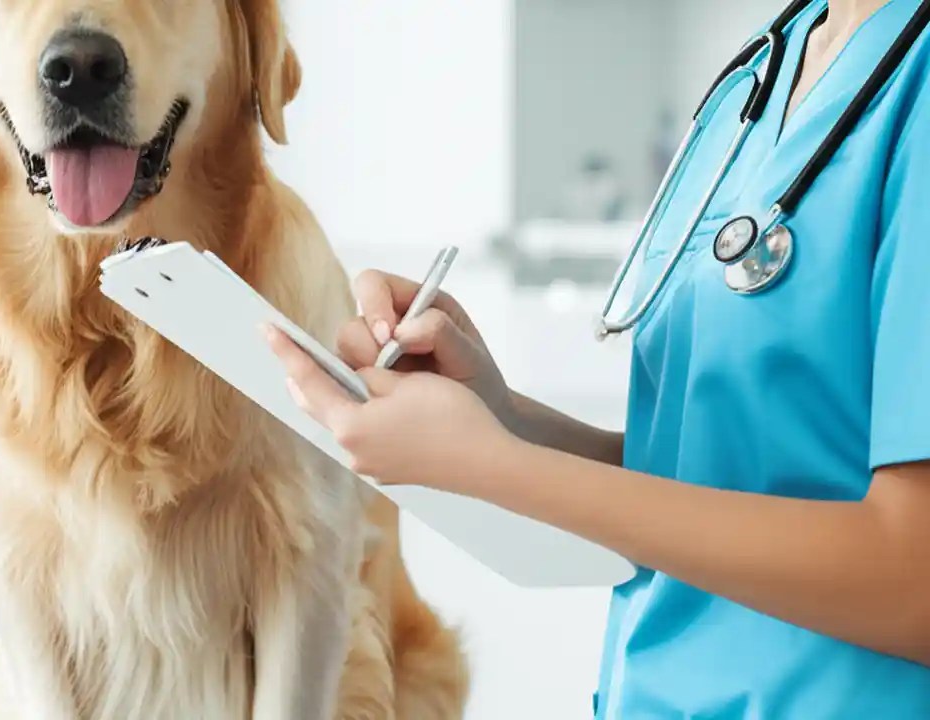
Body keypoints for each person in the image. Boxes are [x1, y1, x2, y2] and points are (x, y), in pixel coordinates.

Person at [264, 0, 930, 716]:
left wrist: (494, 464)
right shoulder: (774, 60)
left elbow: (913, 578)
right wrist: (500, 415)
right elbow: (713, 472)